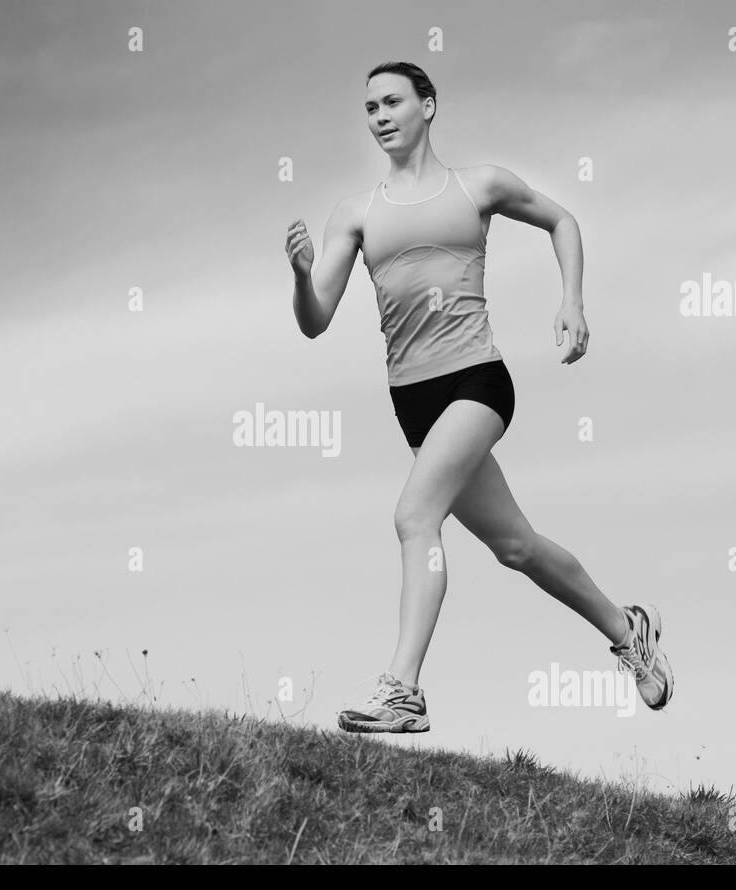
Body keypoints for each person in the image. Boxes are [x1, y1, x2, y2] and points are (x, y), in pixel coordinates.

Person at [284, 61, 674, 733]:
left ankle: (402, 692)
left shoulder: (478, 185)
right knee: (516, 547)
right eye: (369, 106)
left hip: (477, 382)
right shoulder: (355, 213)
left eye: (393, 101)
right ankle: (628, 629)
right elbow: (315, 319)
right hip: (414, 403)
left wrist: (573, 301)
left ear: (428, 106)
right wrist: (299, 276)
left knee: (414, 518)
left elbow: (563, 220)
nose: (379, 115)